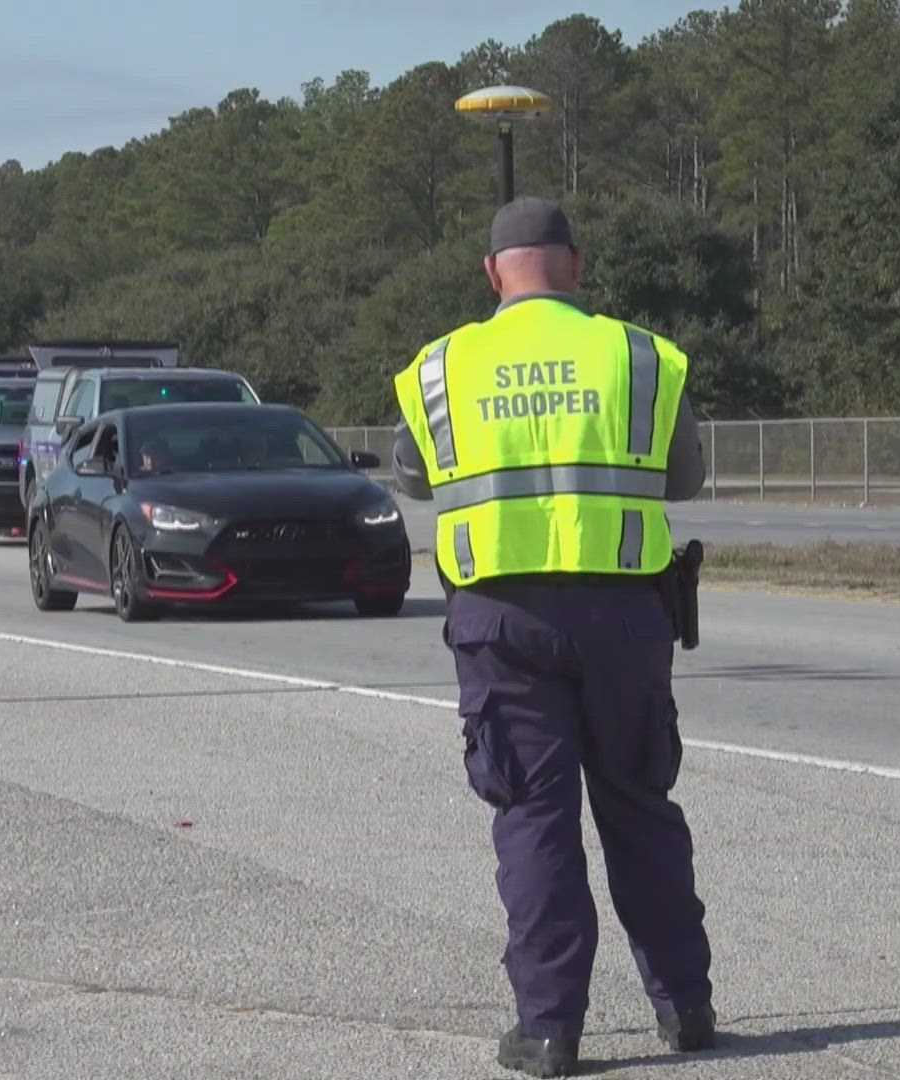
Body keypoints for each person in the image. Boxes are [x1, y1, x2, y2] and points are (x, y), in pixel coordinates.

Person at [391, 197, 716, 1078]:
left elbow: (415, 476)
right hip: (623, 615)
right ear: (575, 264)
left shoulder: (441, 367)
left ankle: (549, 1032)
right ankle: (685, 1009)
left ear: (494, 274)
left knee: (534, 818)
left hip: (501, 619)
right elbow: (685, 477)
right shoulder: (638, 356)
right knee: (641, 808)